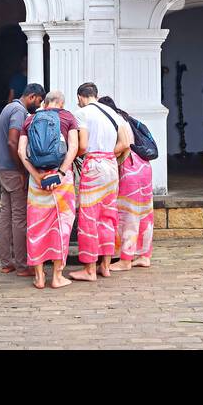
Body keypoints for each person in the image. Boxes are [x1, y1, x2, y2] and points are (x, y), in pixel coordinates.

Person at [17, 90, 80, 290]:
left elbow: (21, 151)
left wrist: (36, 176)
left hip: (37, 180)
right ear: (61, 103)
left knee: (36, 227)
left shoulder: (30, 119)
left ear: (45, 103)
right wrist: (61, 173)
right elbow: (74, 148)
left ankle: (39, 277)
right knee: (61, 226)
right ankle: (58, 276)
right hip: (62, 179)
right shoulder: (68, 117)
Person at [70, 82, 128, 282]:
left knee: (89, 217)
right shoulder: (113, 113)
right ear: (96, 94)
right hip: (111, 167)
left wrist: (75, 156)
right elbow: (125, 143)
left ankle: (89, 269)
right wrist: (107, 154)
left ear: (80, 97)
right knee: (108, 215)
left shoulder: (83, 113)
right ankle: (105, 266)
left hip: (94, 166)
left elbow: (83, 145)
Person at [99, 95, 154, 270]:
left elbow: (122, 146)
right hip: (143, 166)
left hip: (129, 169)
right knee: (144, 213)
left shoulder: (113, 121)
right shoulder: (127, 118)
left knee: (127, 214)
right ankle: (144, 256)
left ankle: (125, 259)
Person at [0, 82, 46, 276]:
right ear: (32, 96)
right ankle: (22, 265)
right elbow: (12, 141)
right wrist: (22, 170)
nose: (39, 105)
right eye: (39, 101)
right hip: (13, 170)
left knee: (6, 216)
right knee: (19, 218)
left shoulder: (8, 107)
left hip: (3, 169)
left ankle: (6, 262)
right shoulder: (18, 111)